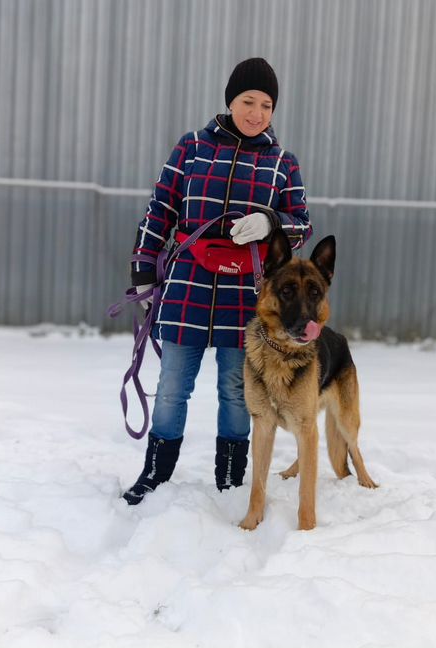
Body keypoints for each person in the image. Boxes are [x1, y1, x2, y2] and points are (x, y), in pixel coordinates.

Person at [122, 57, 312, 505]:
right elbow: (160, 209)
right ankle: (154, 474)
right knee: (172, 387)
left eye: (267, 105)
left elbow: (302, 223)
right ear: (231, 101)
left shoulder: (283, 161)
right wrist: (144, 273)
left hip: (245, 294)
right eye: (249, 101)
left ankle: (230, 482)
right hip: (188, 284)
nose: (257, 112)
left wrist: (271, 222)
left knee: (235, 389)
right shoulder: (192, 147)